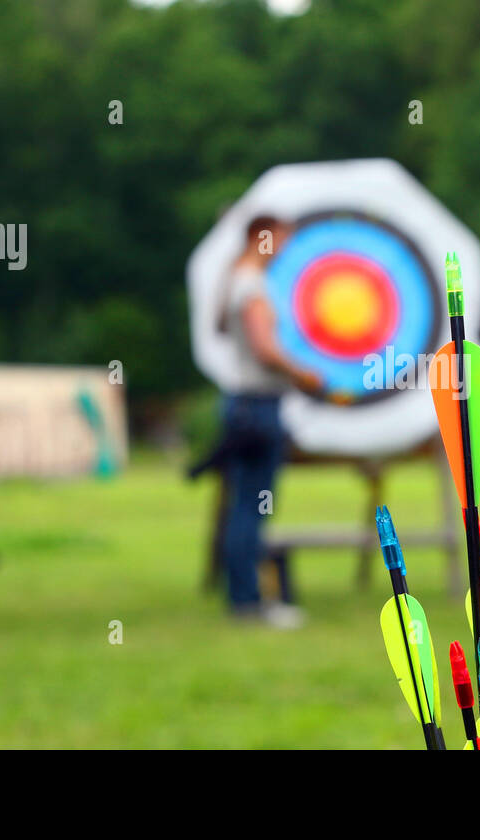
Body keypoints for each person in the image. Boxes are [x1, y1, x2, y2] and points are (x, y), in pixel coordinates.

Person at [201, 215, 329, 628]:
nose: (285, 251)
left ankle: (244, 598)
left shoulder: (235, 279)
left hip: (243, 407)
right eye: (281, 242)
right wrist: (304, 374)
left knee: (245, 504)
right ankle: (249, 601)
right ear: (263, 237)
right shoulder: (250, 284)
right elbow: (264, 350)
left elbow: (224, 330)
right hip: (257, 408)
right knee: (252, 507)